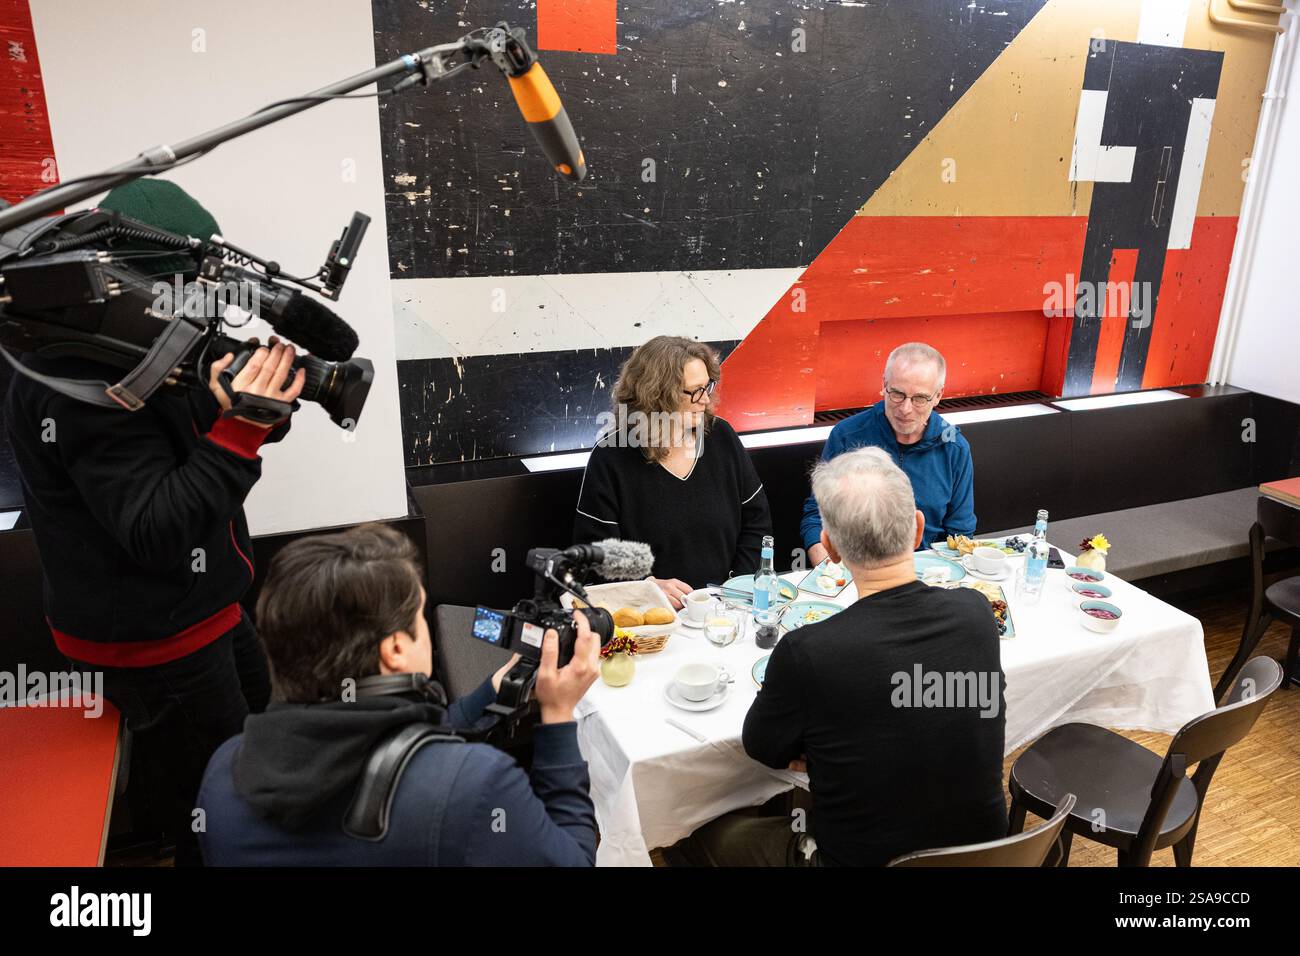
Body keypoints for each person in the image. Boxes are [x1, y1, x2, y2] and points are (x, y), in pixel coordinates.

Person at [2, 180, 305, 865]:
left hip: (211, 609)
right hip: (156, 642)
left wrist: (256, 409)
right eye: (184, 292)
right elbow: (157, 528)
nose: (198, 310)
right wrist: (241, 428)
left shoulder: (137, 339)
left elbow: (190, 433)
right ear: (135, 285)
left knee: (251, 751)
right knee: (212, 806)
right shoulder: (77, 374)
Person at [668, 447, 1006, 866]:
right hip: (983, 858)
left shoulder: (807, 651)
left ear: (828, 548)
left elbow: (762, 747)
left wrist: (821, 744)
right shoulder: (978, 615)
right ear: (918, 530)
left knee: (697, 836)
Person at [196, 524, 600, 866]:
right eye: (420, 618)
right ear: (394, 651)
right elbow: (576, 857)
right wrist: (558, 715)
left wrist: (493, 691)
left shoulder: (223, 770)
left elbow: (369, 744)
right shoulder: (475, 785)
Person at [573, 336, 772, 607]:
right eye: (693, 391)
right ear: (656, 396)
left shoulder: (721, 437)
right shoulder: (611, 456)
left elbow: (757, 522)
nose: (705, 400)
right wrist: (647, 587)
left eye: (707, 387)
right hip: (651, 617)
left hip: (727, 608)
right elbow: (596, 555)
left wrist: (733, 589)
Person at [801, 342, 975, 564]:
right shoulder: (847, 435)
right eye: (897, 394)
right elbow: (816, 517)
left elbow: (960, 535)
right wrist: (829, 572)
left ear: (939, 395)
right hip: (855, 569)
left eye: (920, 399)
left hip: (926, 571)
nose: (905, 409)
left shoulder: (954, 448)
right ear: (884, 385)